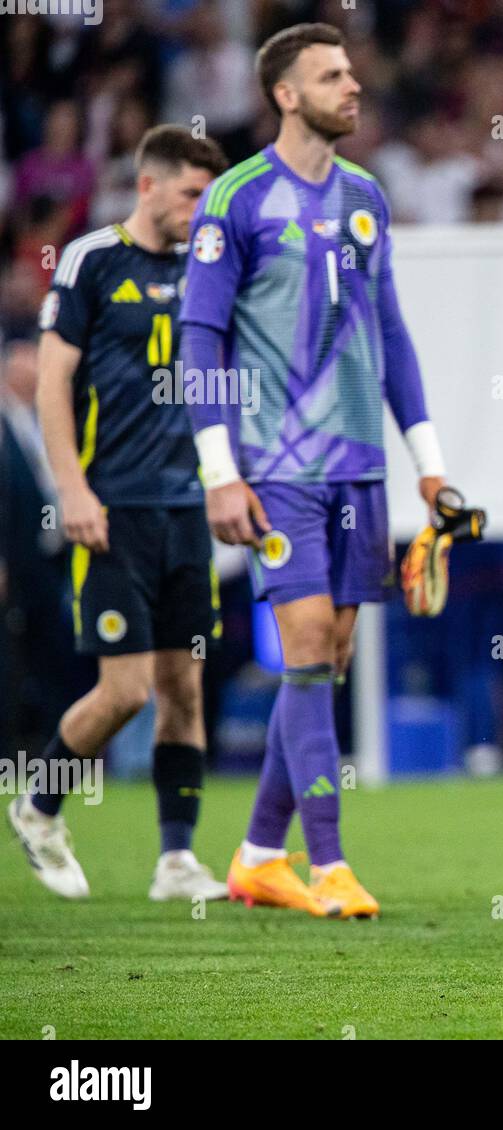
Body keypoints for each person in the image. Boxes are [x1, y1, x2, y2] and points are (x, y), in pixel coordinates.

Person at [179, 23, 448, 919]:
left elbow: (395, 333)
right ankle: (329, 864)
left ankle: (258, 854)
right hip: (276, 465)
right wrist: (221, 469)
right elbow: (200, 337)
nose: (353, 85)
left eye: (351, 70)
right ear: (285, 94)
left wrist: (430, 467)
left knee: (326, 659)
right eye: (331, 76)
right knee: (302, 650)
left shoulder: (368, 194)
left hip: (359, 468)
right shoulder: (237, 198)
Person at [8, 126, 230, 903]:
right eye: (190, 194)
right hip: (113, 509)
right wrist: (71, 489)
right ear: (147, 185)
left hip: (186, 509)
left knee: (185, 689)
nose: (202, 211)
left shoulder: (209, 269)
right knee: (125, 691)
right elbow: (52, 385)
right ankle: (38, 806)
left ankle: (176, 862)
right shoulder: (92, 259)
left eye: (211, 197)